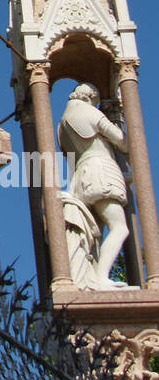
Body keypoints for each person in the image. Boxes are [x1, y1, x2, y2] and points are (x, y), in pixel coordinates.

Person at [58, 83, 130, 288]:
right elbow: (123, 142)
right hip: (101, 170)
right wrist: (121, 121)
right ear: (90, 96)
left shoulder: (62, 124)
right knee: (119, 228)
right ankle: (101, 278)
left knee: (93, 237)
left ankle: (92, 277)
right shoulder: (88, 111)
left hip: (80, 177)